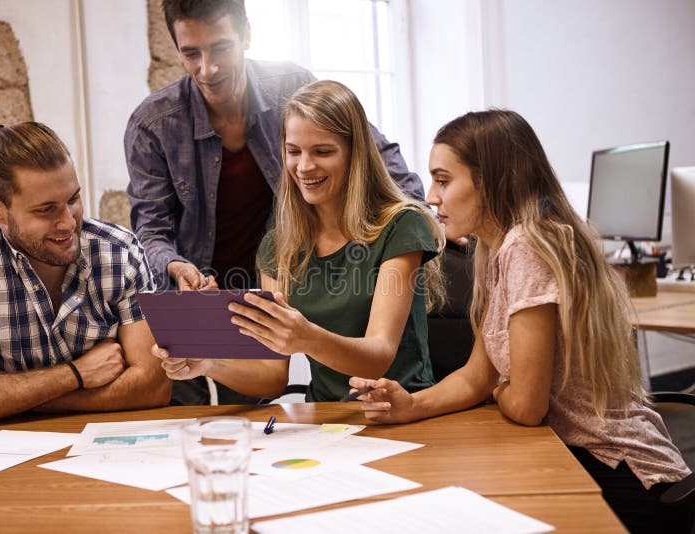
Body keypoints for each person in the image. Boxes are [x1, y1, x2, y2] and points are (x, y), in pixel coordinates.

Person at [350, 110, 693, 533]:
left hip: (624, 474)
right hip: (580, 456)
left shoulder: (527, 247)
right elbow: (479, 376)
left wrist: (502, 387)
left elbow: (528, 406)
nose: (433, 197)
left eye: (443, 179)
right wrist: (411, 406)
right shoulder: (495, 249)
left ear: (490, 180)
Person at [124, 0, 423, 405]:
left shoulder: (291, 86)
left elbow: (377, 154)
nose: (207, 69)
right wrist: (178, 270)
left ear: (246, 33)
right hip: (217, 288)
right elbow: (151, 230)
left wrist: (421, 218)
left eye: (221, 48)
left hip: (293, 277)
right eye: (190, 53)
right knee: (205, 416)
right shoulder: (154, 124)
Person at [154, 79, 446, 402]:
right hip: (328, 423)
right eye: (293, 151)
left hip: (404, 413)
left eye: (322, 151)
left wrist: (305, 337)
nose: (304, 166)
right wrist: (208, 363)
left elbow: (379, 355)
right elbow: (272, 376)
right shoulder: (278, 246)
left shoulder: (402, 225)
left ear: (356, 154)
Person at [0, 122, 170, 429]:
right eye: (46, 209)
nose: (67, 223)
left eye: (73, 200)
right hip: (1, 464)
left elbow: (153, 386)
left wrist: (21, 401)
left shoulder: (120, 251)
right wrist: (75, 375)